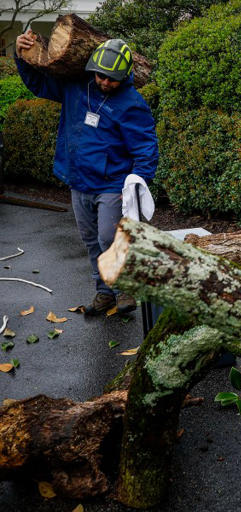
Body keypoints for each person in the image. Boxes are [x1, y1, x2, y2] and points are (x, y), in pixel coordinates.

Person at [15, 32, 158, 315]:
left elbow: (145, 145)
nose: (105, 82)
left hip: (112, 183)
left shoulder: (131, 103)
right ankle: (104, 292)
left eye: (112, 78)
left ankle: (124, 287)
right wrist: (22, 58)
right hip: (79, 180)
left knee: (109, 236)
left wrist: (139, 180)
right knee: (91, 240)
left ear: (125, 75)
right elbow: (39, 85)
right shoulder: (76, 87)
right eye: (100, 76)